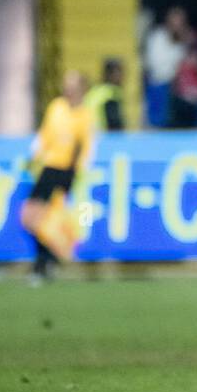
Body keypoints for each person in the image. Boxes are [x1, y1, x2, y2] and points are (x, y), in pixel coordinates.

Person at [21, 71, 93, 281]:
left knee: (47, 218)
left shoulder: (85, 115)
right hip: (49, 168)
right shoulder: (57, 107)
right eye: (66, 84)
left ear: (81, 89)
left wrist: (78, 172)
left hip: (66, 171)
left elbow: (86, 146)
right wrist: (33, 156)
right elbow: (45, 135)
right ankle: (48, 258)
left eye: (72, 85)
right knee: (30, 217)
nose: (67, 89)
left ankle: (42, 264)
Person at [82, 58, 125, 131]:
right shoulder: (111, 93)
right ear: (111, 74)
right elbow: (115, 124)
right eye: (120, 72)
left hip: (89, 134)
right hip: (103, 136)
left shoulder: (95, 90)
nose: (123, 76)